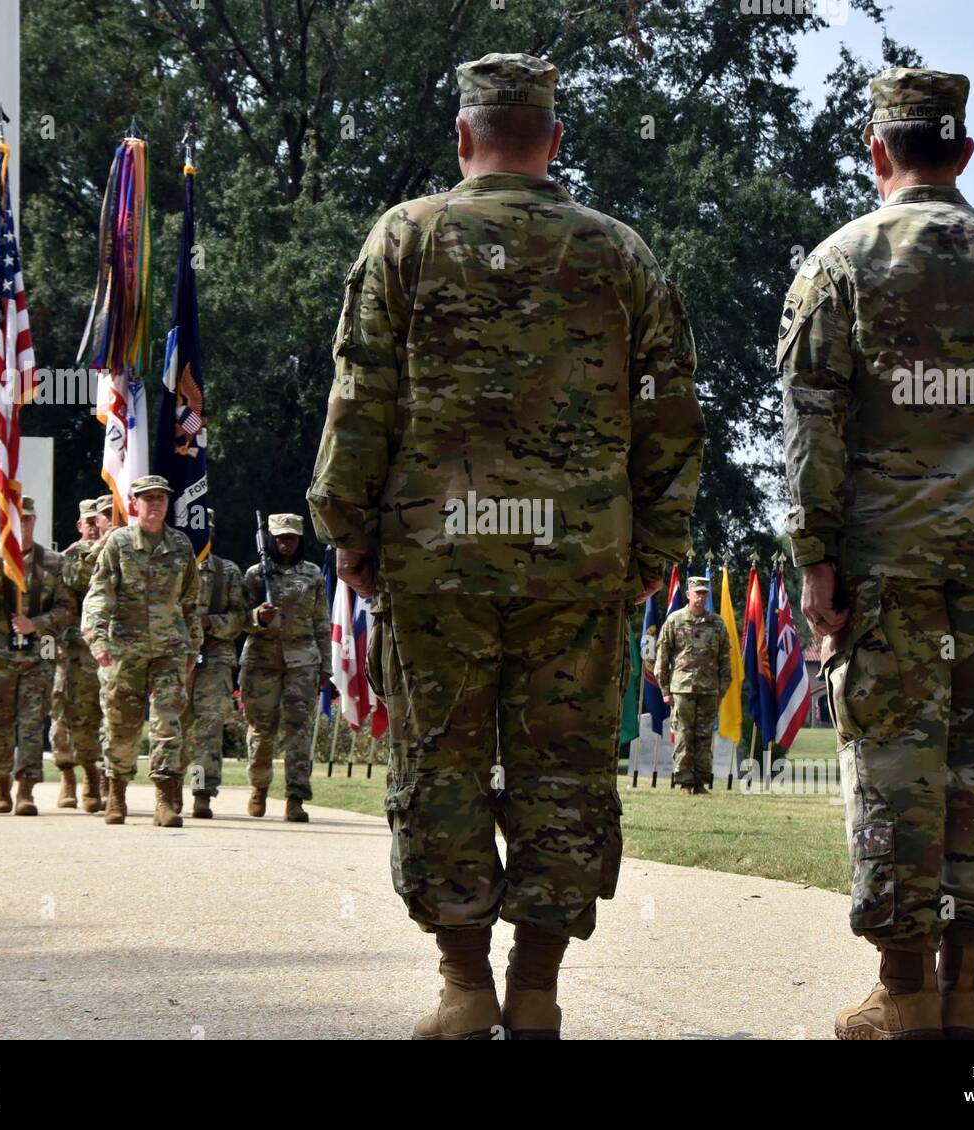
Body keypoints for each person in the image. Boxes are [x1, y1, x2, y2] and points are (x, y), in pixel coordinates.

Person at [308, 52, 703, 1039]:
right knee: (563, 774)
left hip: (437, 558)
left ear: (462, 137)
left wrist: (347, 530)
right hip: (579, 566)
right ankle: (535, 986)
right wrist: (653, 546)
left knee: (438, 767)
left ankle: (460, 986)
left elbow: (360, 400)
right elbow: (671, 419)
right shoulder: (621, 255)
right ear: (552, 141)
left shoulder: (405, 238)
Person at [779, 68, 974, 1039]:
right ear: (963, 153)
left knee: (892, 777)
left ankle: (905, 993)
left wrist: (816, 564)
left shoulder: (837, 266)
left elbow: (812, 432)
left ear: (878, 151)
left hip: (884, 580)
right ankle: (970, 995)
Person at [81, 475, 201, 827]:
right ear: (134, 504)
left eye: (161, 498)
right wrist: (98, 640)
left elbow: (192, 599)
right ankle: (115, 794)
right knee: (122, 726)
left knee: (168, 724)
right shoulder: (118, 543)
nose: (155, 504)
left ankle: (165, 800)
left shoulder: (180, 545)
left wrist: (194, 648)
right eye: (148, 498)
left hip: (169, 650)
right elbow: (100, 593)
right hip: (125, 650)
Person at [0, 496, 75, 816]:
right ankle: (1, 784)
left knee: (32, 725)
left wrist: (37, 624)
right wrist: (5, 557)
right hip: (0, 655)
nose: (23, 526)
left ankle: (26, 790)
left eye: (27, 520)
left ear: (35, 521)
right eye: (17, 520)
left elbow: (67, 609)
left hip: (37, 655)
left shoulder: (54, 562)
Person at [240, 513, 329, 822]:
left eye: (291, 537)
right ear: (271, 540)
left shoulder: (313, 574)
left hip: (303, 661)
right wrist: (257, 618)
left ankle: (295, 798)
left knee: (299, 733)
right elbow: (238, 618)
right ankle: (259, 787)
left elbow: (322, 622)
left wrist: (326, 667)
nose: (285, 543)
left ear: (299, 539)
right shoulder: (255, 574)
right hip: (261, 662)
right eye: (279, 538)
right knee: (261, 731)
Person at [184, 509, 248, 819]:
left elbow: (240, 619)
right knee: (171, 726)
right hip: (176, 657)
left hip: (215, 659)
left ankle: (201, 792)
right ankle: (167, 789)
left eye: (205, 529)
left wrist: (211, 623)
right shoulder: (171, 568)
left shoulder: (228, 572)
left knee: (207, 730)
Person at [51, 497, 105, 811]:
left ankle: (101, 777)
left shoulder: (120, 550)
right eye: (91, 522)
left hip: (111, 646)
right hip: (72, 648)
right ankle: (68, 776)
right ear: (80, 525)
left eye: (102, 521)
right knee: (64, 713)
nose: (97, 528)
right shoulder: (68, 557)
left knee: (106, 715)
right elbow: (78, 578)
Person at [655, 576, 732, 794]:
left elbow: (725, 659)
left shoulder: (717, 623)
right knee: (683, 735)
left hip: (709, 689)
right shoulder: (675, 620)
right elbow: (662, 656)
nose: (701, 597)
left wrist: (722, 690)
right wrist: (664, 690)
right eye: (697, 592)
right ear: (688, 594)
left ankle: (700, 782)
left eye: (704, 593)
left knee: (704, 736)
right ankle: (685, 782)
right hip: (682, 688)